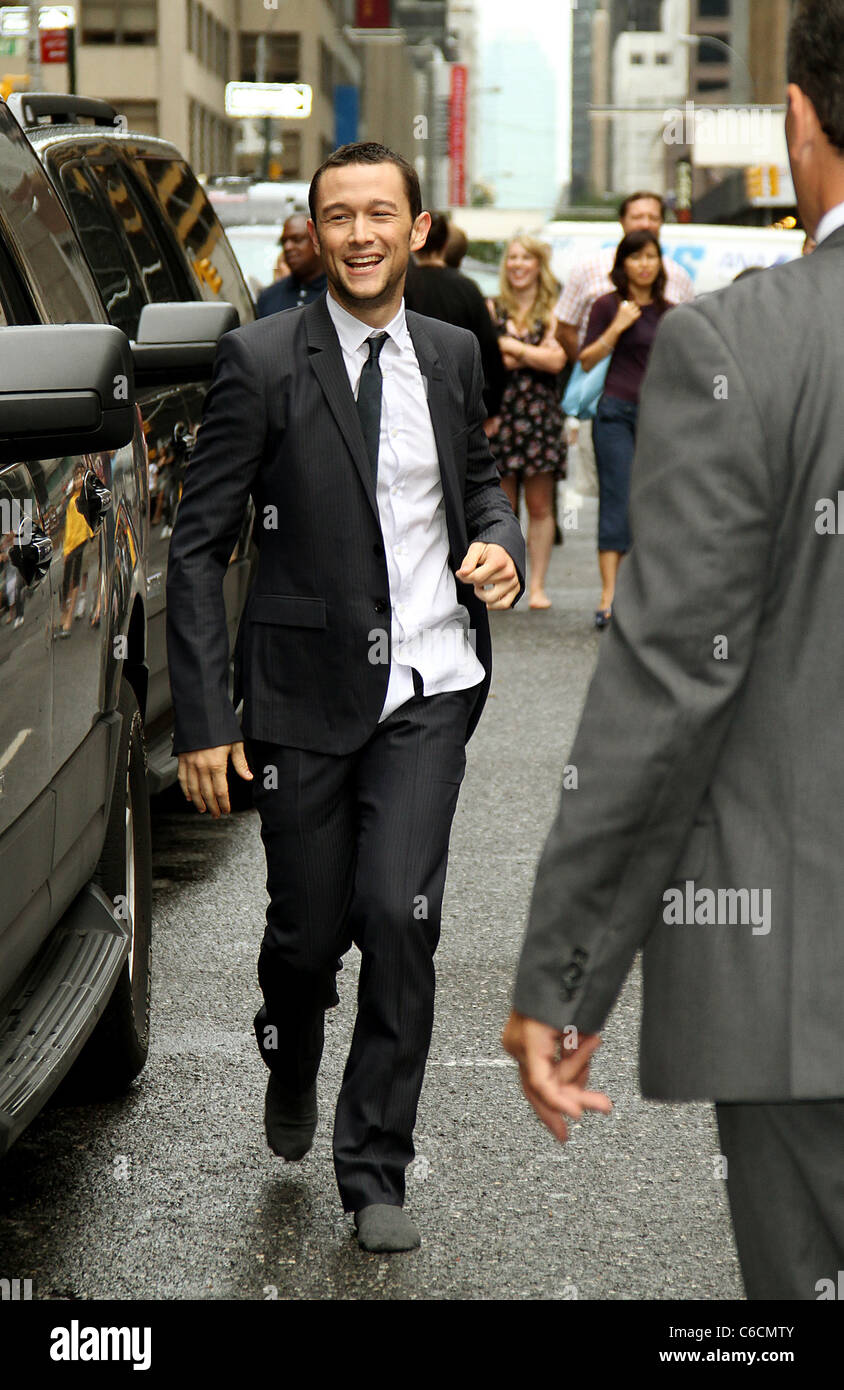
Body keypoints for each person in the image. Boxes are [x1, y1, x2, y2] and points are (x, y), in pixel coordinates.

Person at [502, 0, 844, 1302]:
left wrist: (567, 974)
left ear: (800, 124)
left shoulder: (747, 348)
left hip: (812, 994)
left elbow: (666, 691)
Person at [166, 141, 525, 1255]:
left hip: (428, 684)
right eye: (338, 216)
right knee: (305, 935)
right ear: (314, 233)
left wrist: (500, 545)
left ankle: (374, 1166)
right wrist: (207, 722)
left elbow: (476, 485)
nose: (361, 234)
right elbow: (197, 545)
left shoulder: (455, 353)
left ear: (418, 229)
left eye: (382, 214)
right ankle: (292, 1041)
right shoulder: (262, 359)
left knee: (397, 916)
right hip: (303, 697)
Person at [556, 193, 694, 502]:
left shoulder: (678, 276)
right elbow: (564, 327)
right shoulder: (590, 269)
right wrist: (589, 370)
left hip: (659, 407)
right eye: (637, 216)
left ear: (661, 223)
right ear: (621, 221)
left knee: (658, 497)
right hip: (606, 404)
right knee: (613, 495)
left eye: (653, 217)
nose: (645, 223)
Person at [579, 229, 674, 628]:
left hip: (658, 416)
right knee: (617, 499)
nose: (644, 264)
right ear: (623, 264)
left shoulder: (670, 311)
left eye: (651, 256)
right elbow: (585, 359)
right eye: (636, 257)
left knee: (652, 504)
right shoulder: (607, 305)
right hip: (615, 412)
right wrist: (617, 326)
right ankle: (609, 596)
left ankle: (646, 595)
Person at [486, 236, 567, 610]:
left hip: (539, 418)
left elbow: (557, 362)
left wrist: (513, 348)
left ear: (539, 265)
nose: (518, 264)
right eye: (512, 257)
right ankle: (503, 583)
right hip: (501, 416)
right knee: (502, 507)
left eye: (526, 258)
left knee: (539, 506)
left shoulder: (554, 308)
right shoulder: (492, 307)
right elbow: (490, 359)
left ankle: (536, 586)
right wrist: (533, 353)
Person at [404, 211, 507, 425]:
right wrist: (491, 407)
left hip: (408, 395)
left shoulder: (400, 287)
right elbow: (488, 350)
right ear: (445, 245)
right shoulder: (467, 288)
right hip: (459, 399)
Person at [256, 213, 327, 316]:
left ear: (316, 240)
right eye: (284, 242)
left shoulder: (339, 295)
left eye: (297, 239)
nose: (288, 247)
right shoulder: (269, 297)